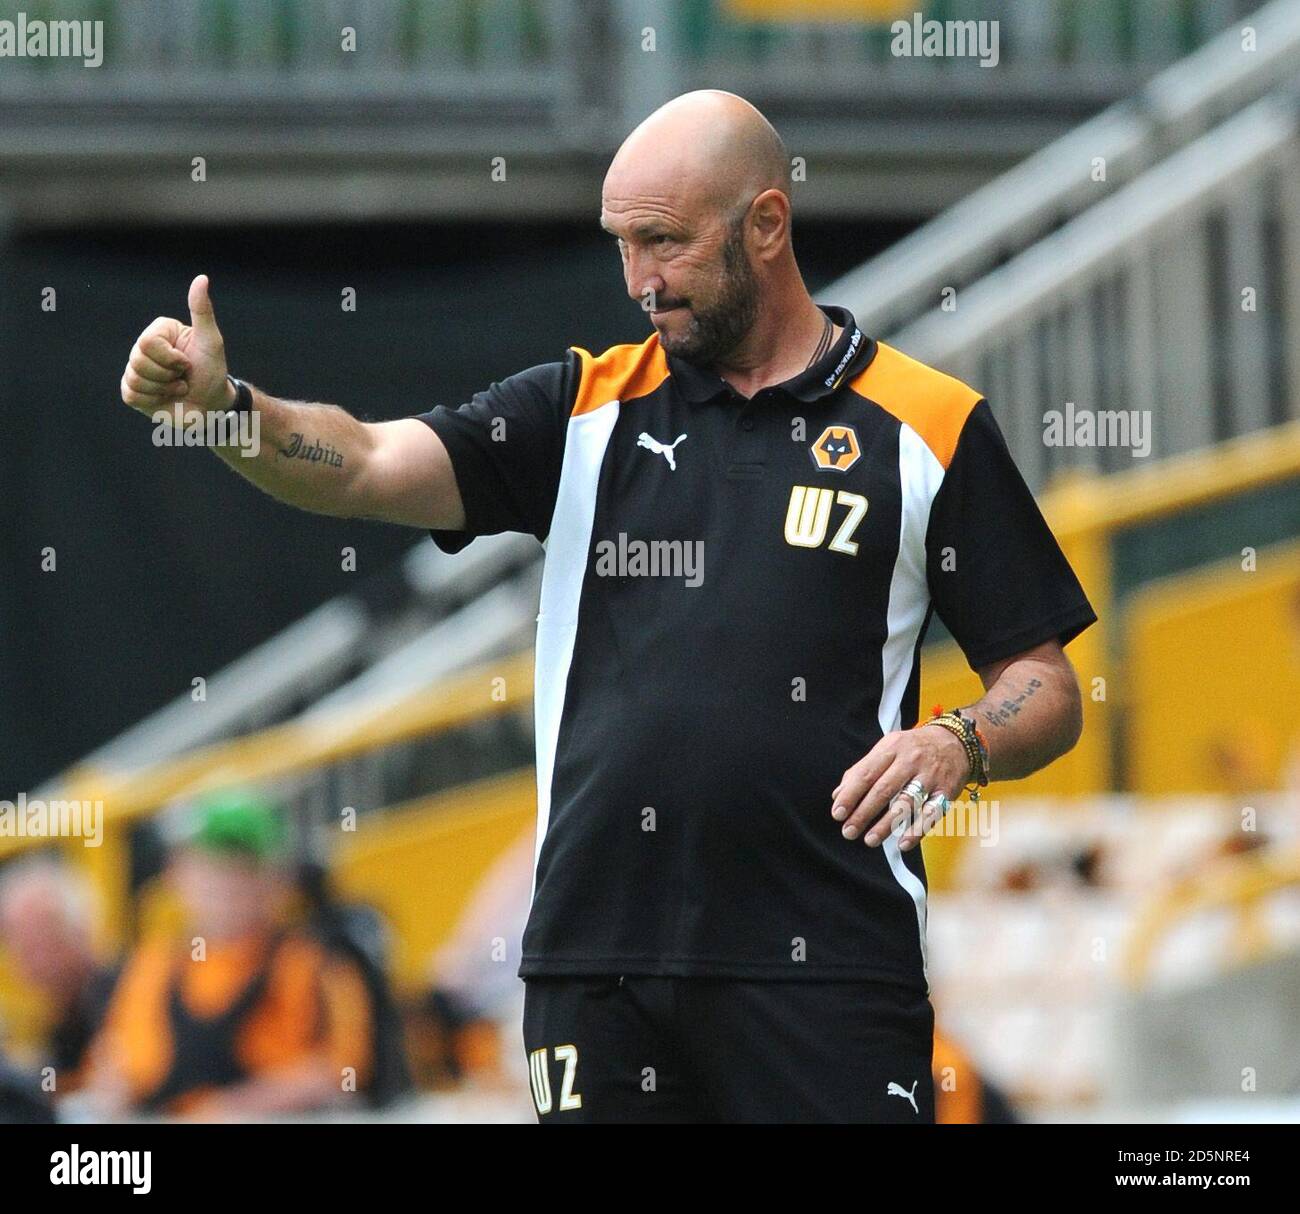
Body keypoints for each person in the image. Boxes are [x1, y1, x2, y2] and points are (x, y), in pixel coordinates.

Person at [118, 90, 1096, 1123]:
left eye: (663, 242)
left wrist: (957, 742)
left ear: (766, 223)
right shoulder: (581, 408)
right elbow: (361, 460)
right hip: (597, 970)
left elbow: (1042, 684)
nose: (637, 280)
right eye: (620, 243)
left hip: (826, 969)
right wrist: (227, 412)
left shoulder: (930, 426)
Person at [82, 791, 374, 1119]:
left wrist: (236, 1108)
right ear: (175, 874)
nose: (225, 883)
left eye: (243, 867)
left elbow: (343, 1072)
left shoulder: (313, 963)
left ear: (280, 879)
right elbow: (119, 1070)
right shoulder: (151, 965)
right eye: (210, 866)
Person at [0, 858, 118, 1093]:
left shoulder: (127, 995)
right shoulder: (55, 1022)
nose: (28, 956)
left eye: (41, 934)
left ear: (80, 929)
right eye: (15, 940)